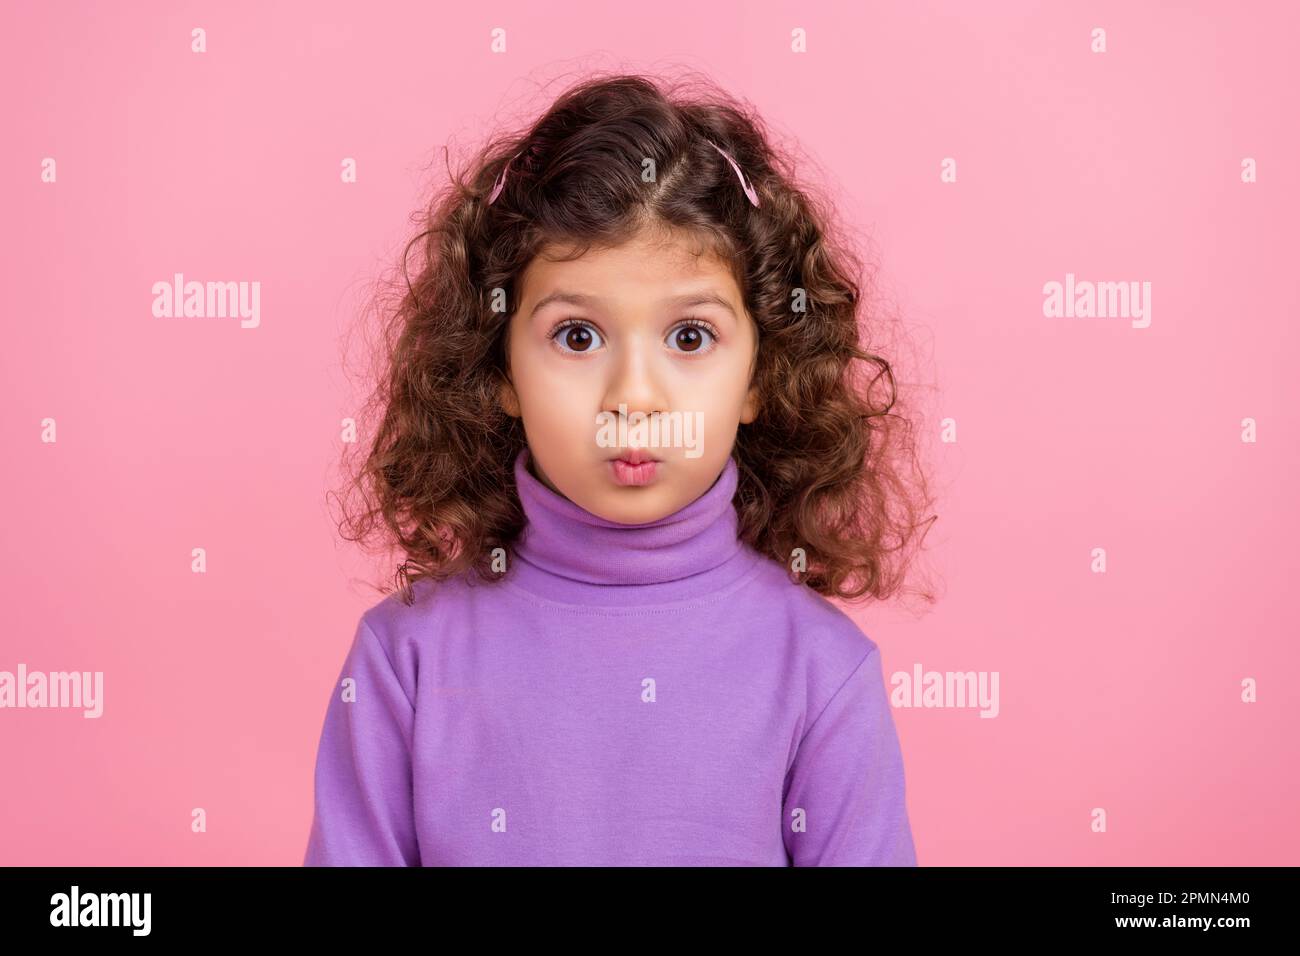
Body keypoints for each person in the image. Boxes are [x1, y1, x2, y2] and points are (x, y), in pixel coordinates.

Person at [304, 72, 936, 866]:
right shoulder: (406, 662)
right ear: (498, 369)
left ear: (761, 374)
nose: (633, 397)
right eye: (576, 337)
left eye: (690, 338)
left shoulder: (822, 673)